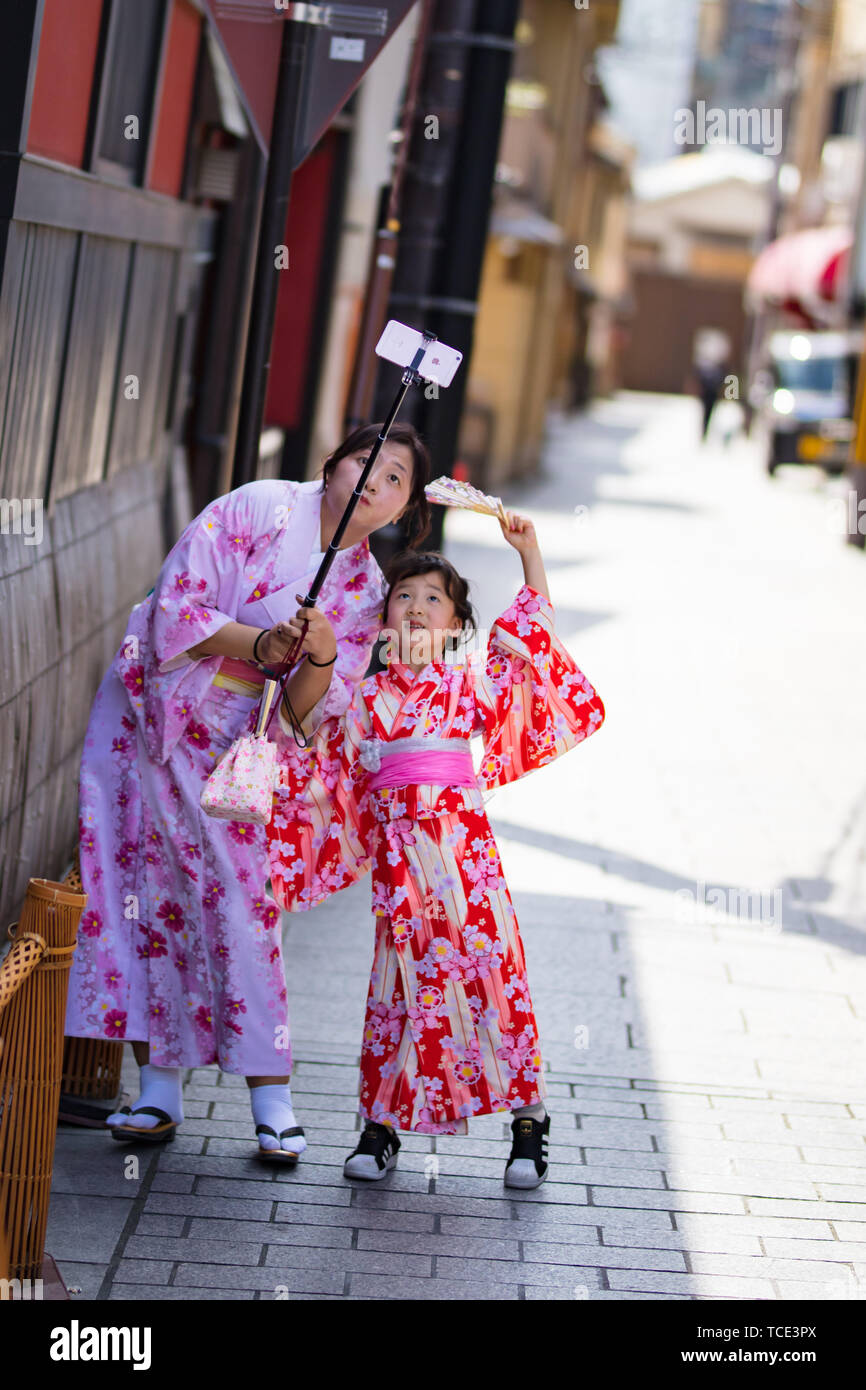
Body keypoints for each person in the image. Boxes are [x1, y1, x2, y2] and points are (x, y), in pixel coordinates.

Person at [63, 422, 432, 1161]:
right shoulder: (258, 508)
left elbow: (304, 714)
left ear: (400, 512)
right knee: (150, 888)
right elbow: (178, 606)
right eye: (367, 461)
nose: (375, 482)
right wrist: (257, 644)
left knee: (243, 905)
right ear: (332, 464)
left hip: (242, 743)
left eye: (396, 480)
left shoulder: (362, 590)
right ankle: (157, 1090)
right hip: (157, 711)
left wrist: (319, 657)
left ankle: (272, 1096)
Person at [266, 514, 605, 1188]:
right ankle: (379, 1127)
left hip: (470, 878)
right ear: (383, 618)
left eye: (433, 600)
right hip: (401, 883)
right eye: (403, 596)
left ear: (454, 626)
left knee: (495, 990)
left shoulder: (467, 687)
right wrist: (308, 650)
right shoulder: (363, 702)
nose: (417, 609)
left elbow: (529, 634)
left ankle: (528, 1126)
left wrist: (529, 550)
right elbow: (309, 741)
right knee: (397, 996)